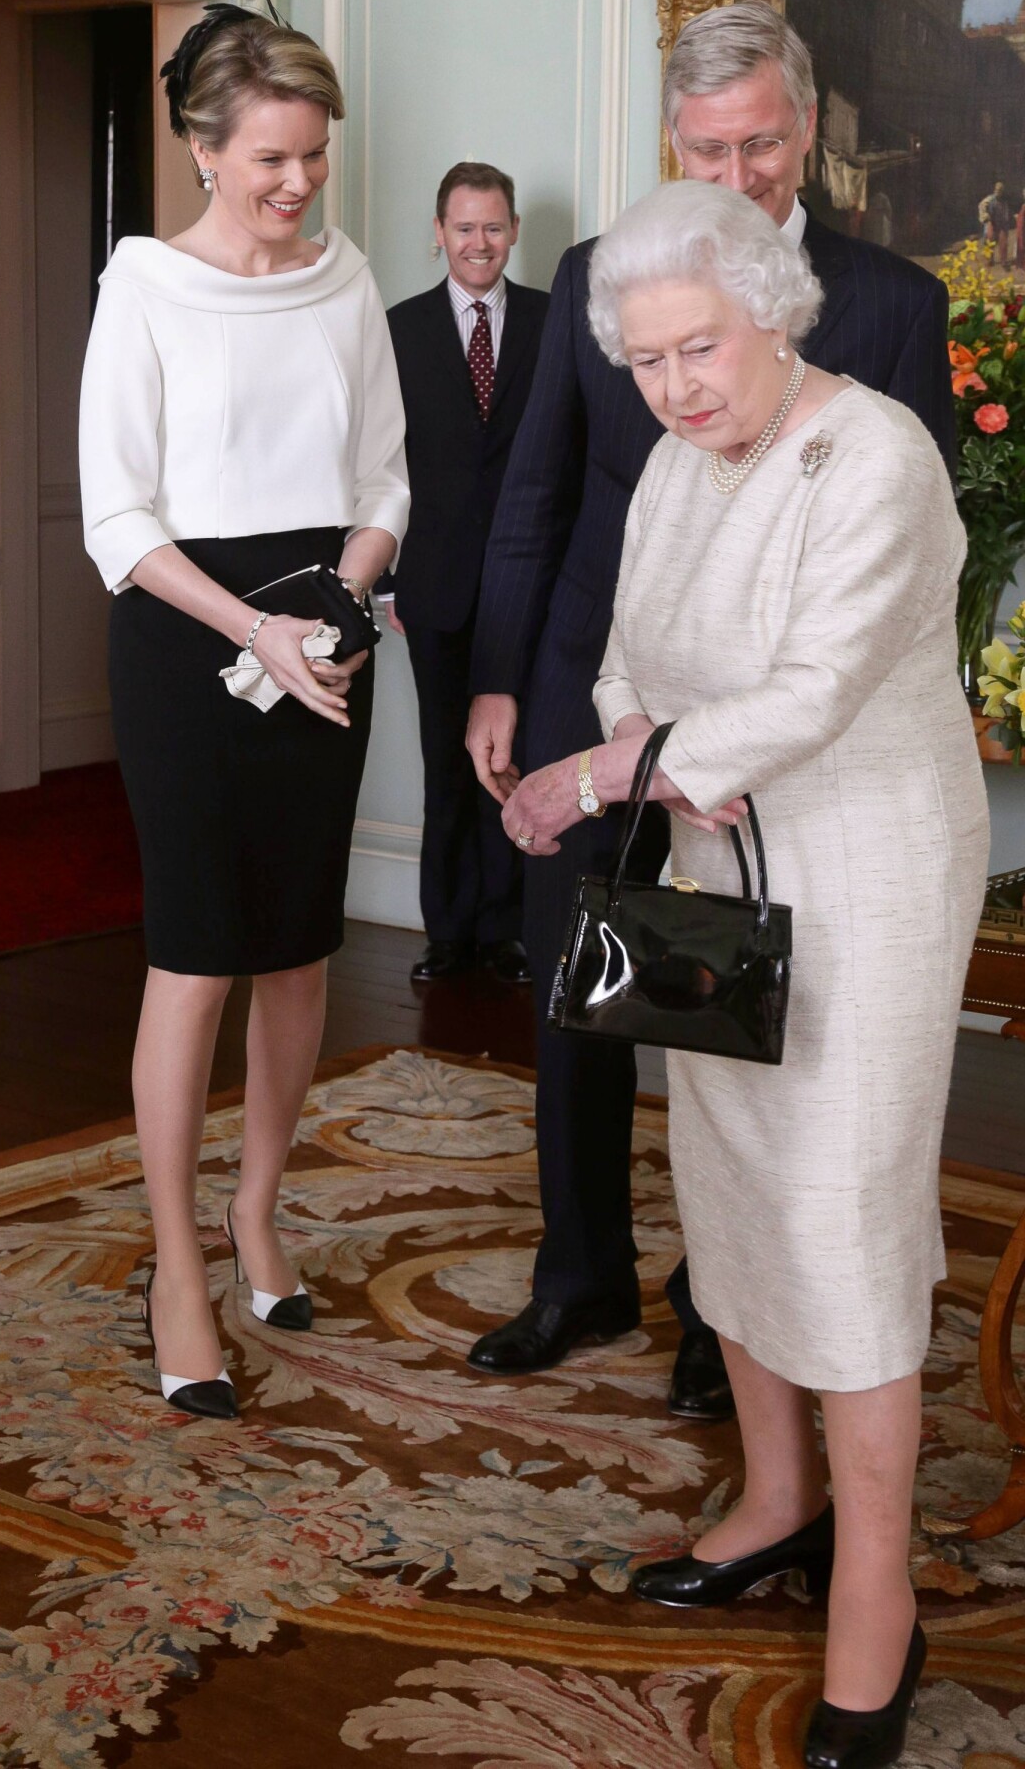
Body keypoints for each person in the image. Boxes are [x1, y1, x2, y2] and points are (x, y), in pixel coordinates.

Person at [502, 176, 987, 1769]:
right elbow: (625, 656)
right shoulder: (675, 463)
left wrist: (607, 775)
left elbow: (817, 688)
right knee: (732, 1187)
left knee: (842, 1215)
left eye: (699, 347)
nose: (675, 388)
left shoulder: (878, 456)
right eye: (645, 361)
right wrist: (648, 747)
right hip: (716, 867)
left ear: (773, 312)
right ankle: (779, 1501)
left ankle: (875, 1597)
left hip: (864, 877)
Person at [463, 2, 955, 1419]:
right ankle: (583, 1274)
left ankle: (718, 1311)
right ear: (670, 141)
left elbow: (884, 575)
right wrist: (512, 679)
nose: (733, 174)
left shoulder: (889, 305)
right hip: (607, 682)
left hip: (787, 739)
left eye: (758, 145)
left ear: (805, 131)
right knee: (585, 987)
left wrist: (708, 750)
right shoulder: (600, 276)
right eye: (704, 149)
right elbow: (543, 490)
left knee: (742, 1023)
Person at [79, 6, 409, 1419]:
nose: (298, 182)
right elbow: (116, 516)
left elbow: (387, 478)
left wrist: (339, 601)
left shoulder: (348, 279)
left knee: (297, 948)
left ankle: (257, 1210)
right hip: (187, 641)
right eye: (272, 157)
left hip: (323, 636)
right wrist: (254, 628)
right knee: (200, 954)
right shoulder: (145, 285)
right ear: (204, 149)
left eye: (313, 155)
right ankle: (176, 1264)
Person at [380, 163, 549, 984]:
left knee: (517, 759)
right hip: (434, 587)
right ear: (439, 233)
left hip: (532, 591)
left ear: (514, 231)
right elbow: (373, 463)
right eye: (464, 227)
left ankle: (508, 929)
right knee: (448, 763)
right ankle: (449, 933)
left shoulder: (554, 322)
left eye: (493, 227)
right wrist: (385, 580)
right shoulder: (397, 329)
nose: (479, 243)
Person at [979, 180, 1011, 264]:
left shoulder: (1004, 200)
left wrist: (1006, 221)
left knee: (1003, 242)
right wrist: (985, 216)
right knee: (989, 241)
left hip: (1001, 223)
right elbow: (981, 206)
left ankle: (1003, 260)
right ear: (994, 190)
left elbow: (1006, 211)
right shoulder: (989, 199)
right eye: (997, 189)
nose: (998, 191)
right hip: (992, 223)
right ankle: (990, 260)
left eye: (1000, 190)